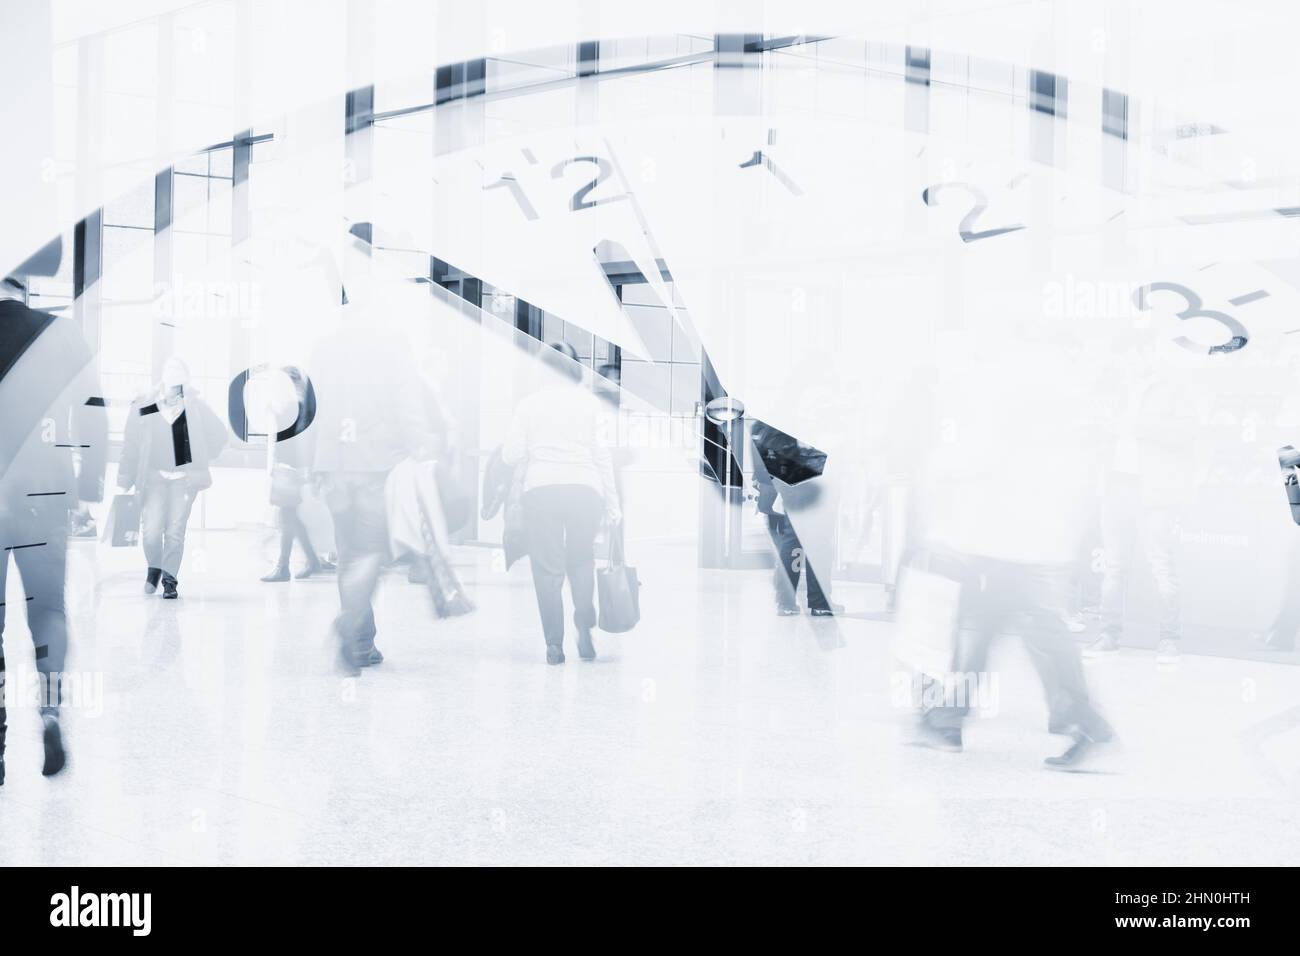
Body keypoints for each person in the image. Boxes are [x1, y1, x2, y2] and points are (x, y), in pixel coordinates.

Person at [0, 276, 107, 781]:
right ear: (28, 289)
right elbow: (93, 414)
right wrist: (89, 488)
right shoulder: (63, 336)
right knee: (48, 612)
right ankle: (48, 711)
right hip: (45, 490)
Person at [309, 276, 435, 673]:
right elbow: (406, 398)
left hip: (334, 465)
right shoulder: (391, 343)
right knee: (371, 552)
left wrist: (316, 463)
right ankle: (349, 628)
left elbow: (310, 409)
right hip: (373, 465)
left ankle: (363, 643)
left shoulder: (324, 347)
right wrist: (420, 446)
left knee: (348, 555)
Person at [502, 342, 620, 664]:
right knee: (581, 560)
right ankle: (584, 626)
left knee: (547, 569)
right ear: (575, 368)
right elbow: (602, 455)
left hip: (542, 491)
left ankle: (554, 645)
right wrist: (613, 503)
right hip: (586, 491)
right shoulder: (591, 405)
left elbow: (510, 454)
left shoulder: (528, 405)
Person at [117, 357, 228, 599]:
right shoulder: (147, 404)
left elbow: (220, 434)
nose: (173, 374)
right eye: (169, 369)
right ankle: (154, 568)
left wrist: (201, 457)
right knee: (152, 532)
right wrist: (125, 477)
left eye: (179, 370)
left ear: (186, 379)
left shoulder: (194, 406)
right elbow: (131, 441)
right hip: (153, 478)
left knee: (175, 532)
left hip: (183, 479)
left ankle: (169, 580)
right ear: (162, 376)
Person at [261, 366, 334, 582]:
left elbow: (294, 441)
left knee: (287, 516)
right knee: (289, 516)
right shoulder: (298, 406)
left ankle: (284, 567)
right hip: (290, 467)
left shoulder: (294, 407)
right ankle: (309, 560)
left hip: (290, 468)